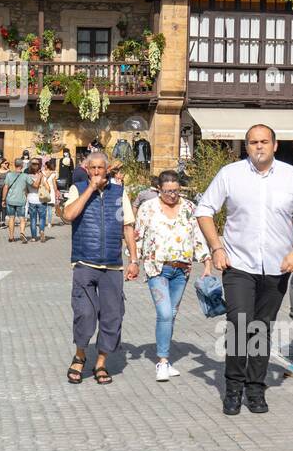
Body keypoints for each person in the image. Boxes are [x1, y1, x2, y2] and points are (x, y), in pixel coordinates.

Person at [194, 124, 293, 416]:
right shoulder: (230, 174)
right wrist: (217, 247)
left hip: (277, 266)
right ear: (246, 146)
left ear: (275, 145)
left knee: (261, 328)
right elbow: (204, 210)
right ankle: (233, 388)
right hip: (238, 264)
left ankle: (255, 389)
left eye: (264, 141)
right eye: (252, 142)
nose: (258, 146)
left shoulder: (292, 177)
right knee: (239, 325)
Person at [61, 150, 139, 385]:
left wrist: (134, 260)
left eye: (100, 168)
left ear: (107, 170)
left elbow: (127, 226)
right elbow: (68, 215)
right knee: (85, 313)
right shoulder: (78, 189)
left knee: (113, 315)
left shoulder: (119, 193)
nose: (96, 172)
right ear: (87, 170)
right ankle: (80, 355)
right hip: (85, 262)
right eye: (92, 168)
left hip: (113, 265)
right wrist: (90, 190)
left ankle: (101, 362)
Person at [135, 170, 211, 382]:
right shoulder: (147, 208)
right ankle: (162, 362)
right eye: (168, 191)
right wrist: (133, 261)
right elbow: (138, 235)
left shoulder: (188, 207)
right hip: (157, 268)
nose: (172, 195)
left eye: (176, 191)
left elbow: (197, 235)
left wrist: (207, 261)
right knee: (165, 313)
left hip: (182, 269)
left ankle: (165, 356)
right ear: (159, 189)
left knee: (172, 313)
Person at [2, 157, 32, 244]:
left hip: (10, 200)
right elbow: (32, 185)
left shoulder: (9, 175)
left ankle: (11, 237)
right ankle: (22, 233)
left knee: (11, 218)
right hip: (21, 200)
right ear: (22, 165)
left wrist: (3, 199)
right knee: (22, 218)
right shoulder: (25, 176)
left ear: (15, 165)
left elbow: (5, 187)